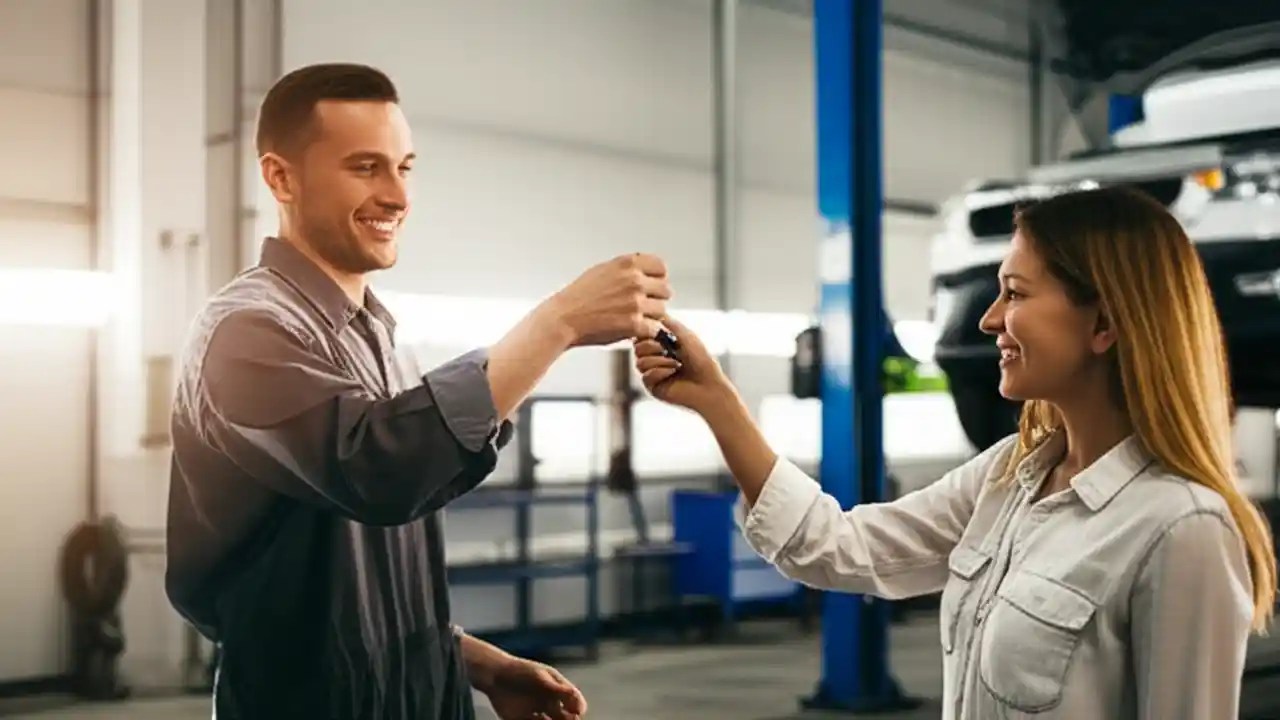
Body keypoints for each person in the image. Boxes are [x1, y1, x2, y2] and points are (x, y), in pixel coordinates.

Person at [634, 186, 1277, 719]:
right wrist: (718, 402)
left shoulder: (1181, 527)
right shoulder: (1010, 476)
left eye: (1017, 293)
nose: (989, 319)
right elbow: (838, 546)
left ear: (1104, 324)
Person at [166, 62, 672, 719]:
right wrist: (561, 321)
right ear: (280, 177)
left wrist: (473, 661)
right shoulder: (247, 332)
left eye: (405, 167)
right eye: (365, 167)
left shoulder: (380, 337)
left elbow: (362, 572)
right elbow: (382, 470)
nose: (398, 196)